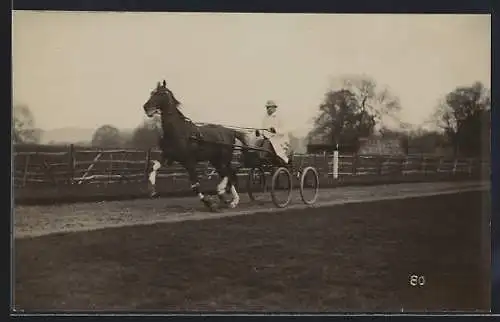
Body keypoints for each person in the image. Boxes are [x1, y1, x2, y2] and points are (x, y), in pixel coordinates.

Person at [259, 100, 290, 164]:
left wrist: (275, 130)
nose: (268, 109)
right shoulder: (265, 118)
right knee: (257, 145)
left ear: (274, 108)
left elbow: (284, 130)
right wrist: (259, 132)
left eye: (269, 107)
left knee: (265, 150)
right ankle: (263, 161)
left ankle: (272, 161)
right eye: (267, 108)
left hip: (279, 140)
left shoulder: (280, 117)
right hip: (267, 139)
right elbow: (263, 130)